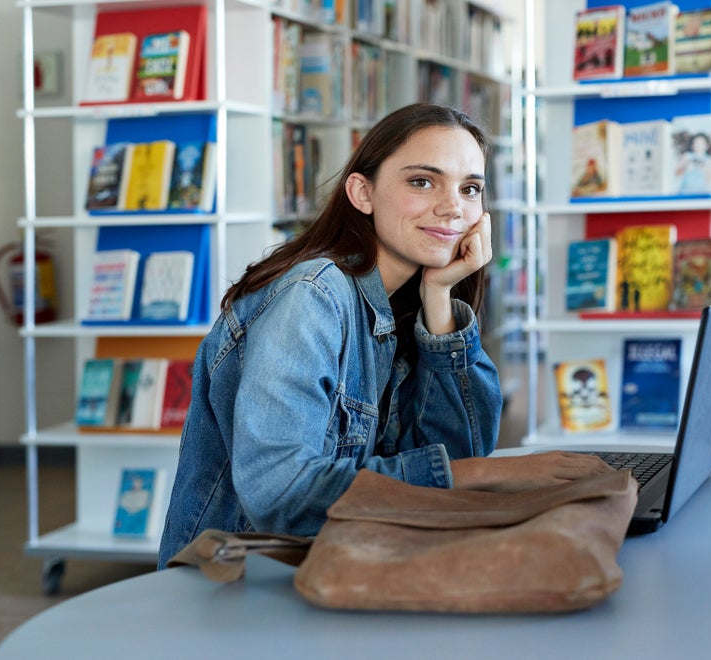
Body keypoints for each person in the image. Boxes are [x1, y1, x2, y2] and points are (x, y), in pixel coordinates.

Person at [158, 103, 610, 568]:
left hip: (343, 573)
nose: (452, 206)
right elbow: (281, 492)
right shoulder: (312, 297)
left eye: (470, 188)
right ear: (362, 192)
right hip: (239, 594)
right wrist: (492, 473)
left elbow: (456, 459)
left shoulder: (405, 301)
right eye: (422, 181)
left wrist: (439, 299)